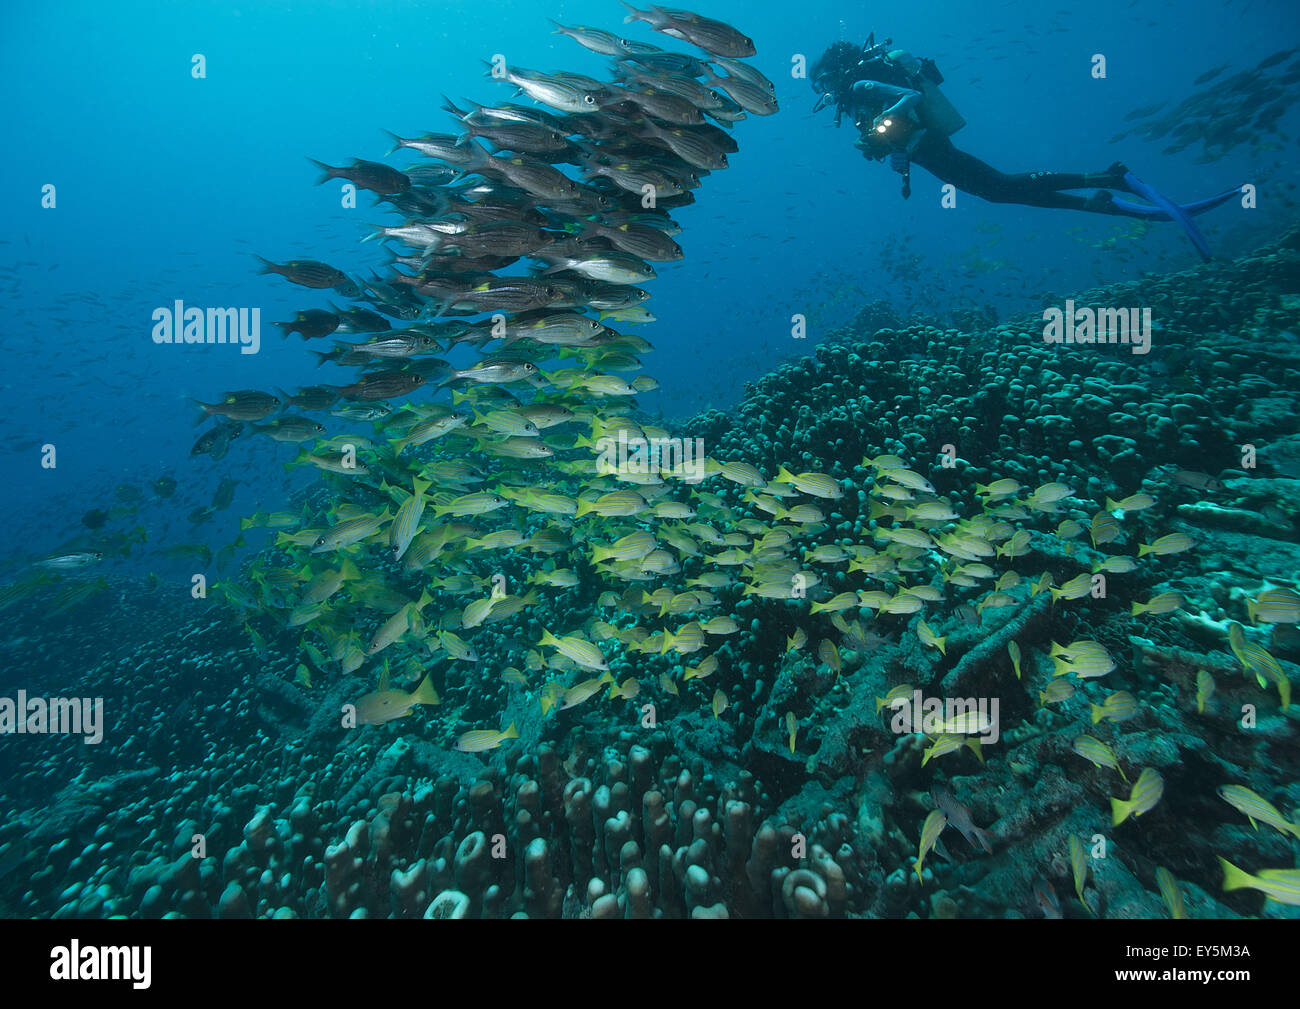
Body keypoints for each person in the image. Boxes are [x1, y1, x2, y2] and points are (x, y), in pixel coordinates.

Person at [811, 36, 1141, 215]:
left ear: (838, 72)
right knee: (997, 192)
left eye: (824, 81)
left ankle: (1106, 179)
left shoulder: (859, 87)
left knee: (1001, 185)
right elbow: (891, 133)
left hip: (930, 146)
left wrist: (885, 119)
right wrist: (878, 147)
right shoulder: (852, 102)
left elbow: (910, 96)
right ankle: (1093, 201)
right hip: (923, 154)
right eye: (817, 87)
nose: (823, 91)